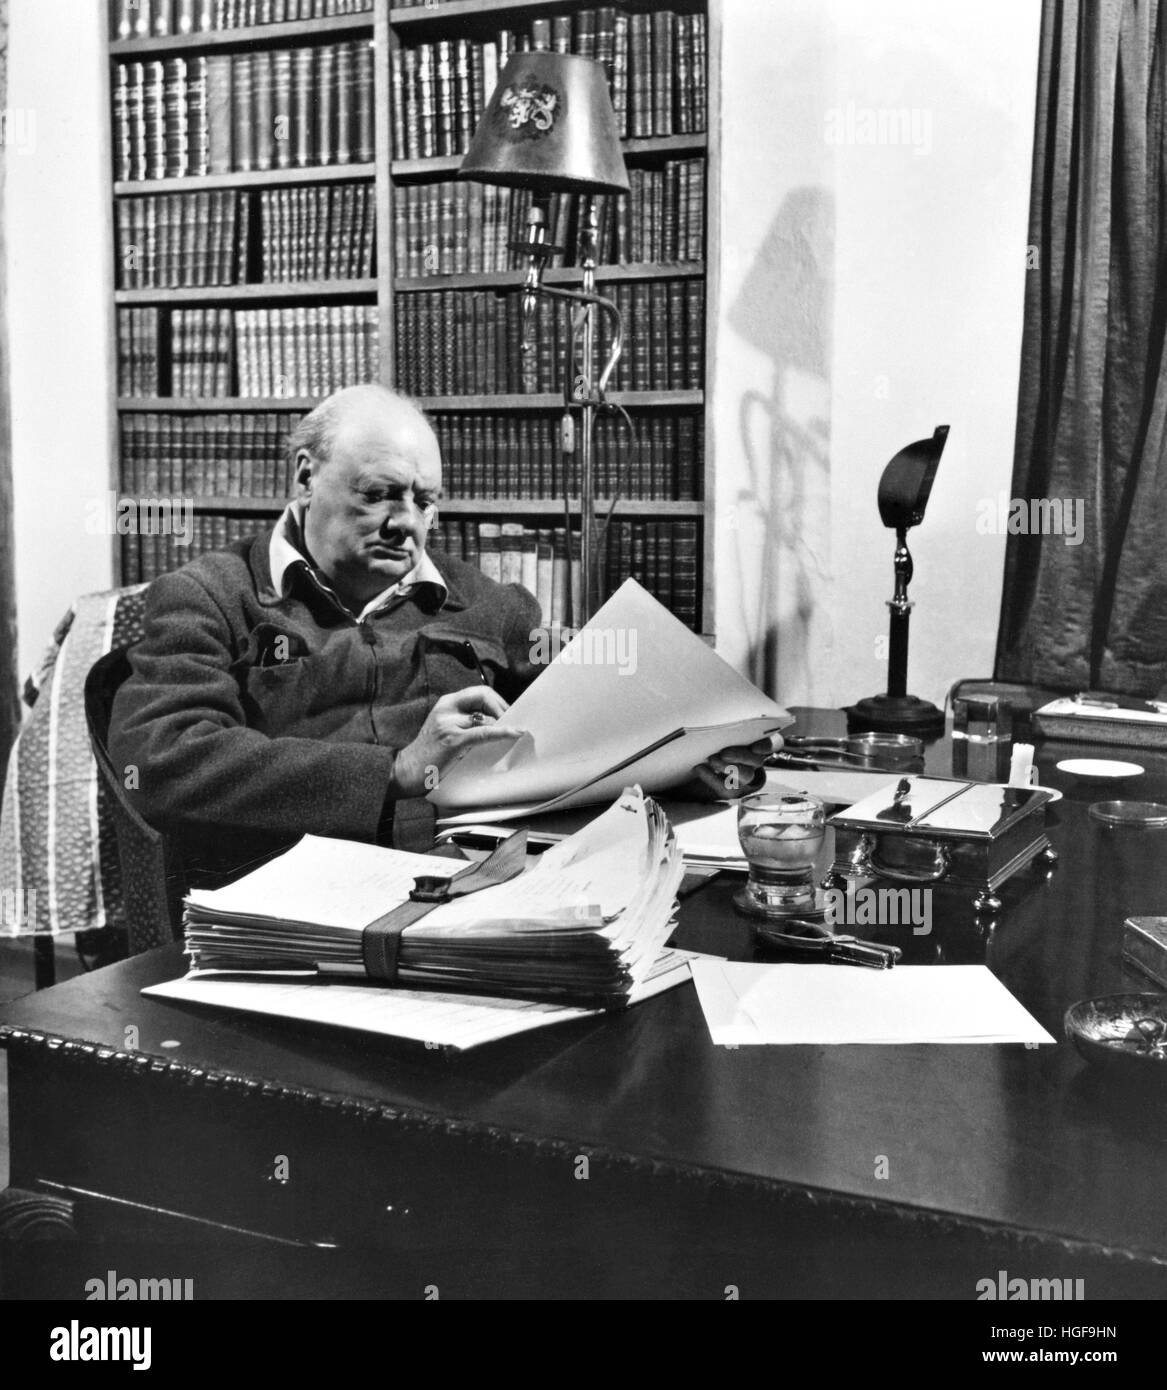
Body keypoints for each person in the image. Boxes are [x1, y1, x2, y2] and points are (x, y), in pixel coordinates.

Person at [109, 384, 767, 884]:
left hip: (467, 886)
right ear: (304, 476)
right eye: (379, 494)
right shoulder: (210, 596)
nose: (406, 522)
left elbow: (587, 732)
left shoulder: (489, 604)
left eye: (424, 500)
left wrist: (681, 764)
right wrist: (393, 771)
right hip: (277, 893)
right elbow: (162, 763)